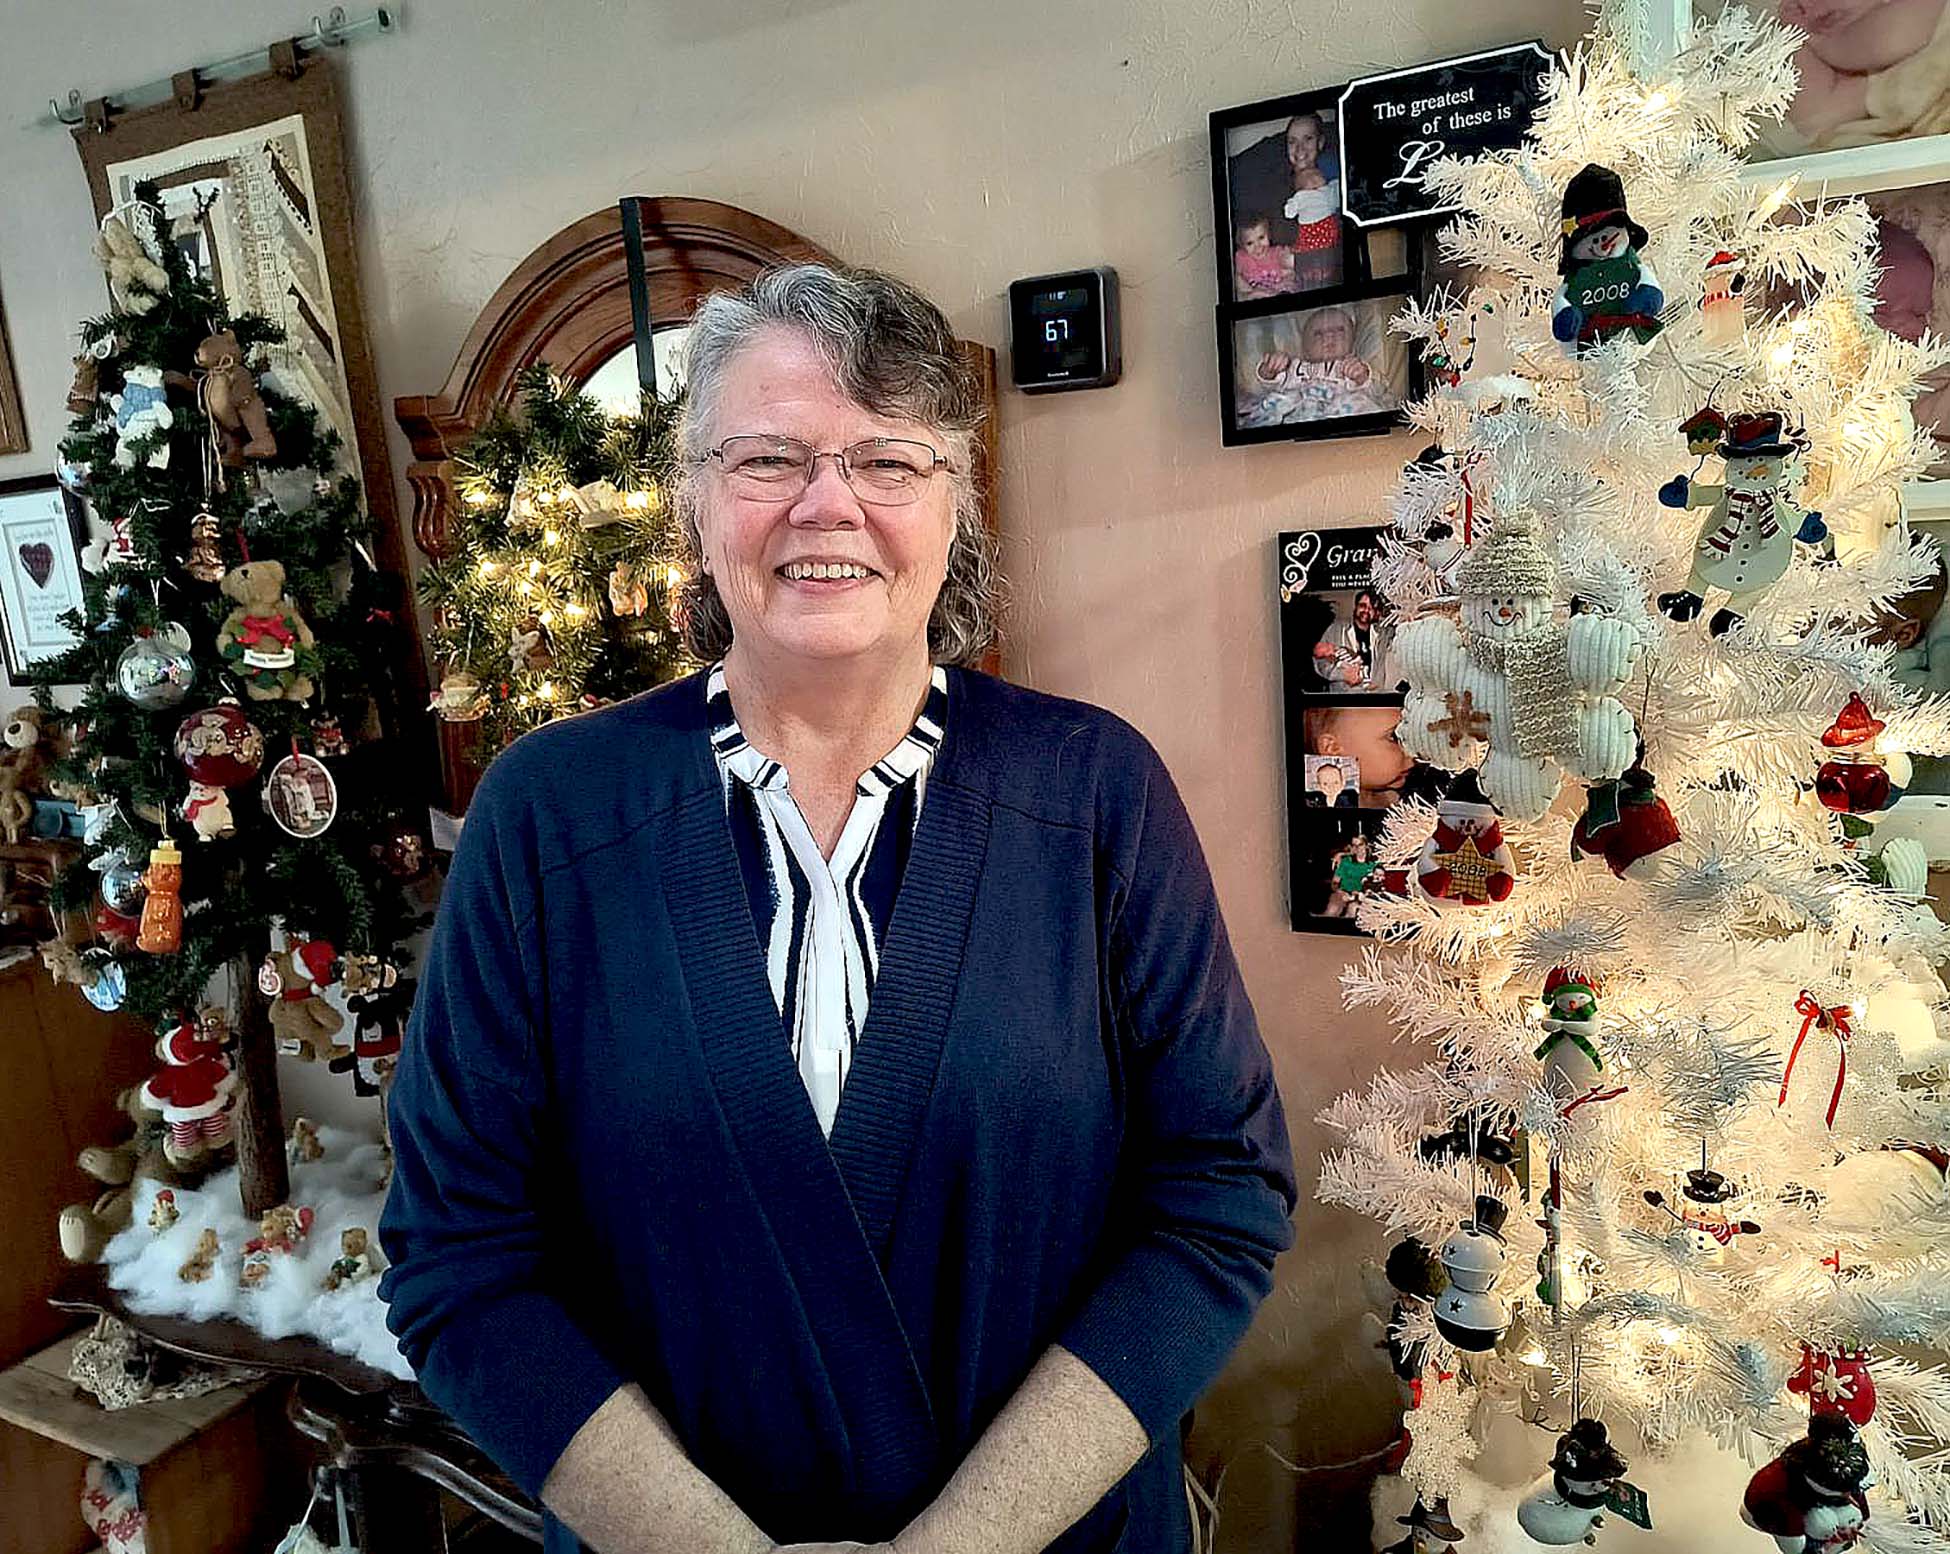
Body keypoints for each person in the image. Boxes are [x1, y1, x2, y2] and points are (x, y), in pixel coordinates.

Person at [379, 263, 1297, 1554]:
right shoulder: (551, 811)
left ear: (954, 500)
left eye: (887, 460)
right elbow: (457, 1255)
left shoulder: (1091, 789)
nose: (827, 505)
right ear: (691, 498)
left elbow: (1215, 1199)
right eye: (764, 458)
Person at [1228, 112, 1343, 257]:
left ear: (1320, 142)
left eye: (1308, 139)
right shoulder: (1273, 179)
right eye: (1292, 141)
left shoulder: (1332, 169)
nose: (1300, 149)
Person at [1233, 212, 1297, 299]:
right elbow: (1237, 278)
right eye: (1250, 243)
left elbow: (1291, 270)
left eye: (1261, 238)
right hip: (1255, 295)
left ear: (1269, 235)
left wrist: (1281, 283)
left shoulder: (1277, 252)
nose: (1258, 246)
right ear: (1242, 245)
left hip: (1278, 292)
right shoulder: (1241, 257)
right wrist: (1251, 291)